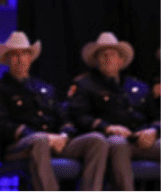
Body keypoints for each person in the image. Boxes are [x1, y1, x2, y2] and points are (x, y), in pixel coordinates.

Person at [0, 31, 109, 190]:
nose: (20, 59)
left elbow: (64, 117)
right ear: (7, 59)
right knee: (40, 141)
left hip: (53, 141)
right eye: (14, 55)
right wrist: (42, 136)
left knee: (97, 140)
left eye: (24, 54)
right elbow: (0, 124)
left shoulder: (44, 88)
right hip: (19, 145)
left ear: (30, 58)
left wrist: (64, 136)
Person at [67, 31, 160, 191]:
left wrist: (154, 131)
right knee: (118, 143)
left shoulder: (138, 85)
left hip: (142, 140)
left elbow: (157, 116)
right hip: (109, 140)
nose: (108, 58)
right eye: (103, 55)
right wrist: (107, 127)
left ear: (121, 60)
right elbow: (79, 116)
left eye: (112, 54)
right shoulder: (85, 85)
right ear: (96, 61)